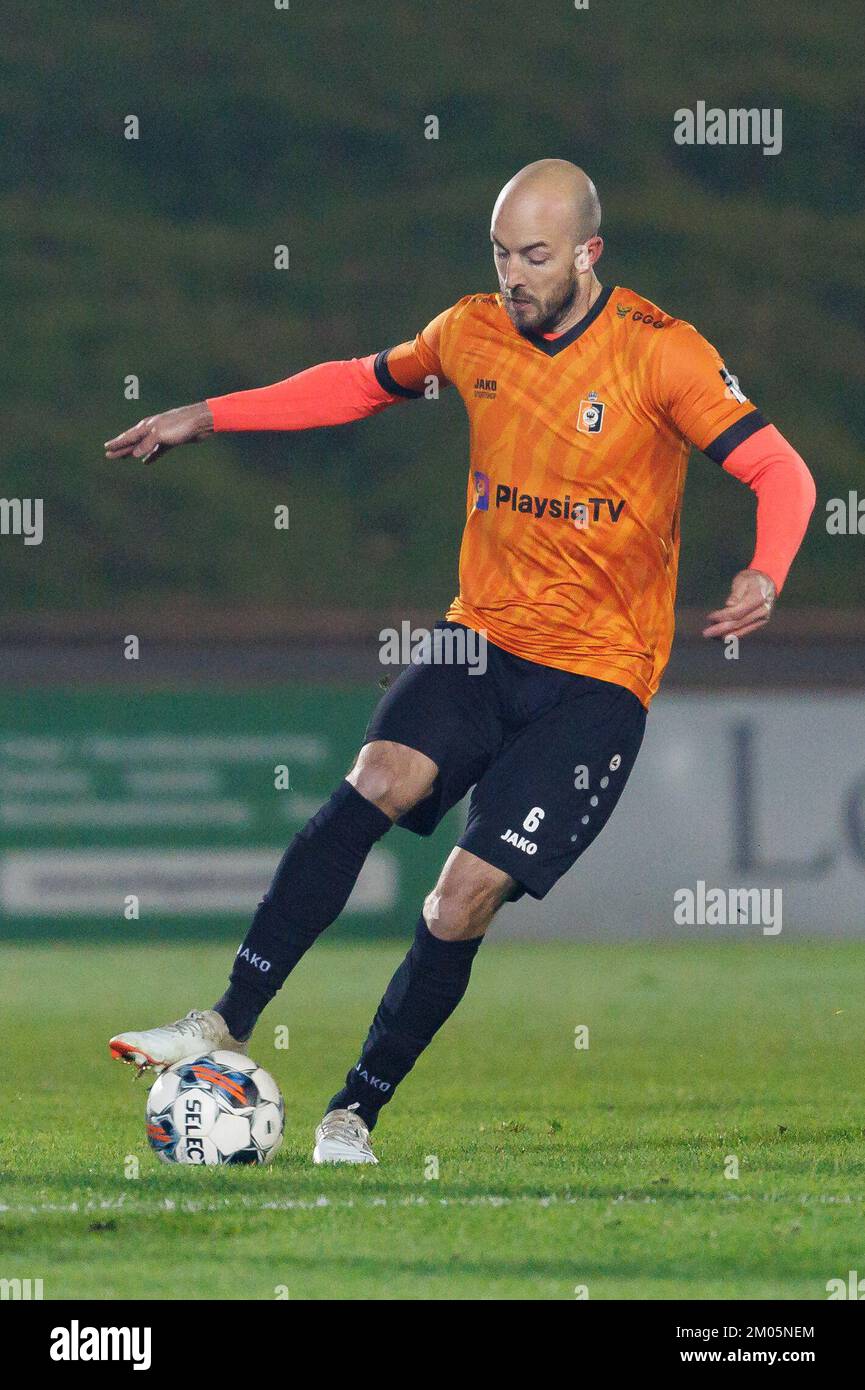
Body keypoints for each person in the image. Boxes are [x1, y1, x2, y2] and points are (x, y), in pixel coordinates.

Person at [104, 159, 816, 1165]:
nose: (513, 274)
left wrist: (765, 571)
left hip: (598, 681)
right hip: (481, 637)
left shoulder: (661, 355)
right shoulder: (470, 330)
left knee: (458, 896)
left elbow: (778, 468)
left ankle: (354, 1110)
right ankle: (223, 1019)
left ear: (587, 252)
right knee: (374, 782)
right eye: (500, 252)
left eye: (534, 255)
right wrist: (207, 413)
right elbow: (358, 385)